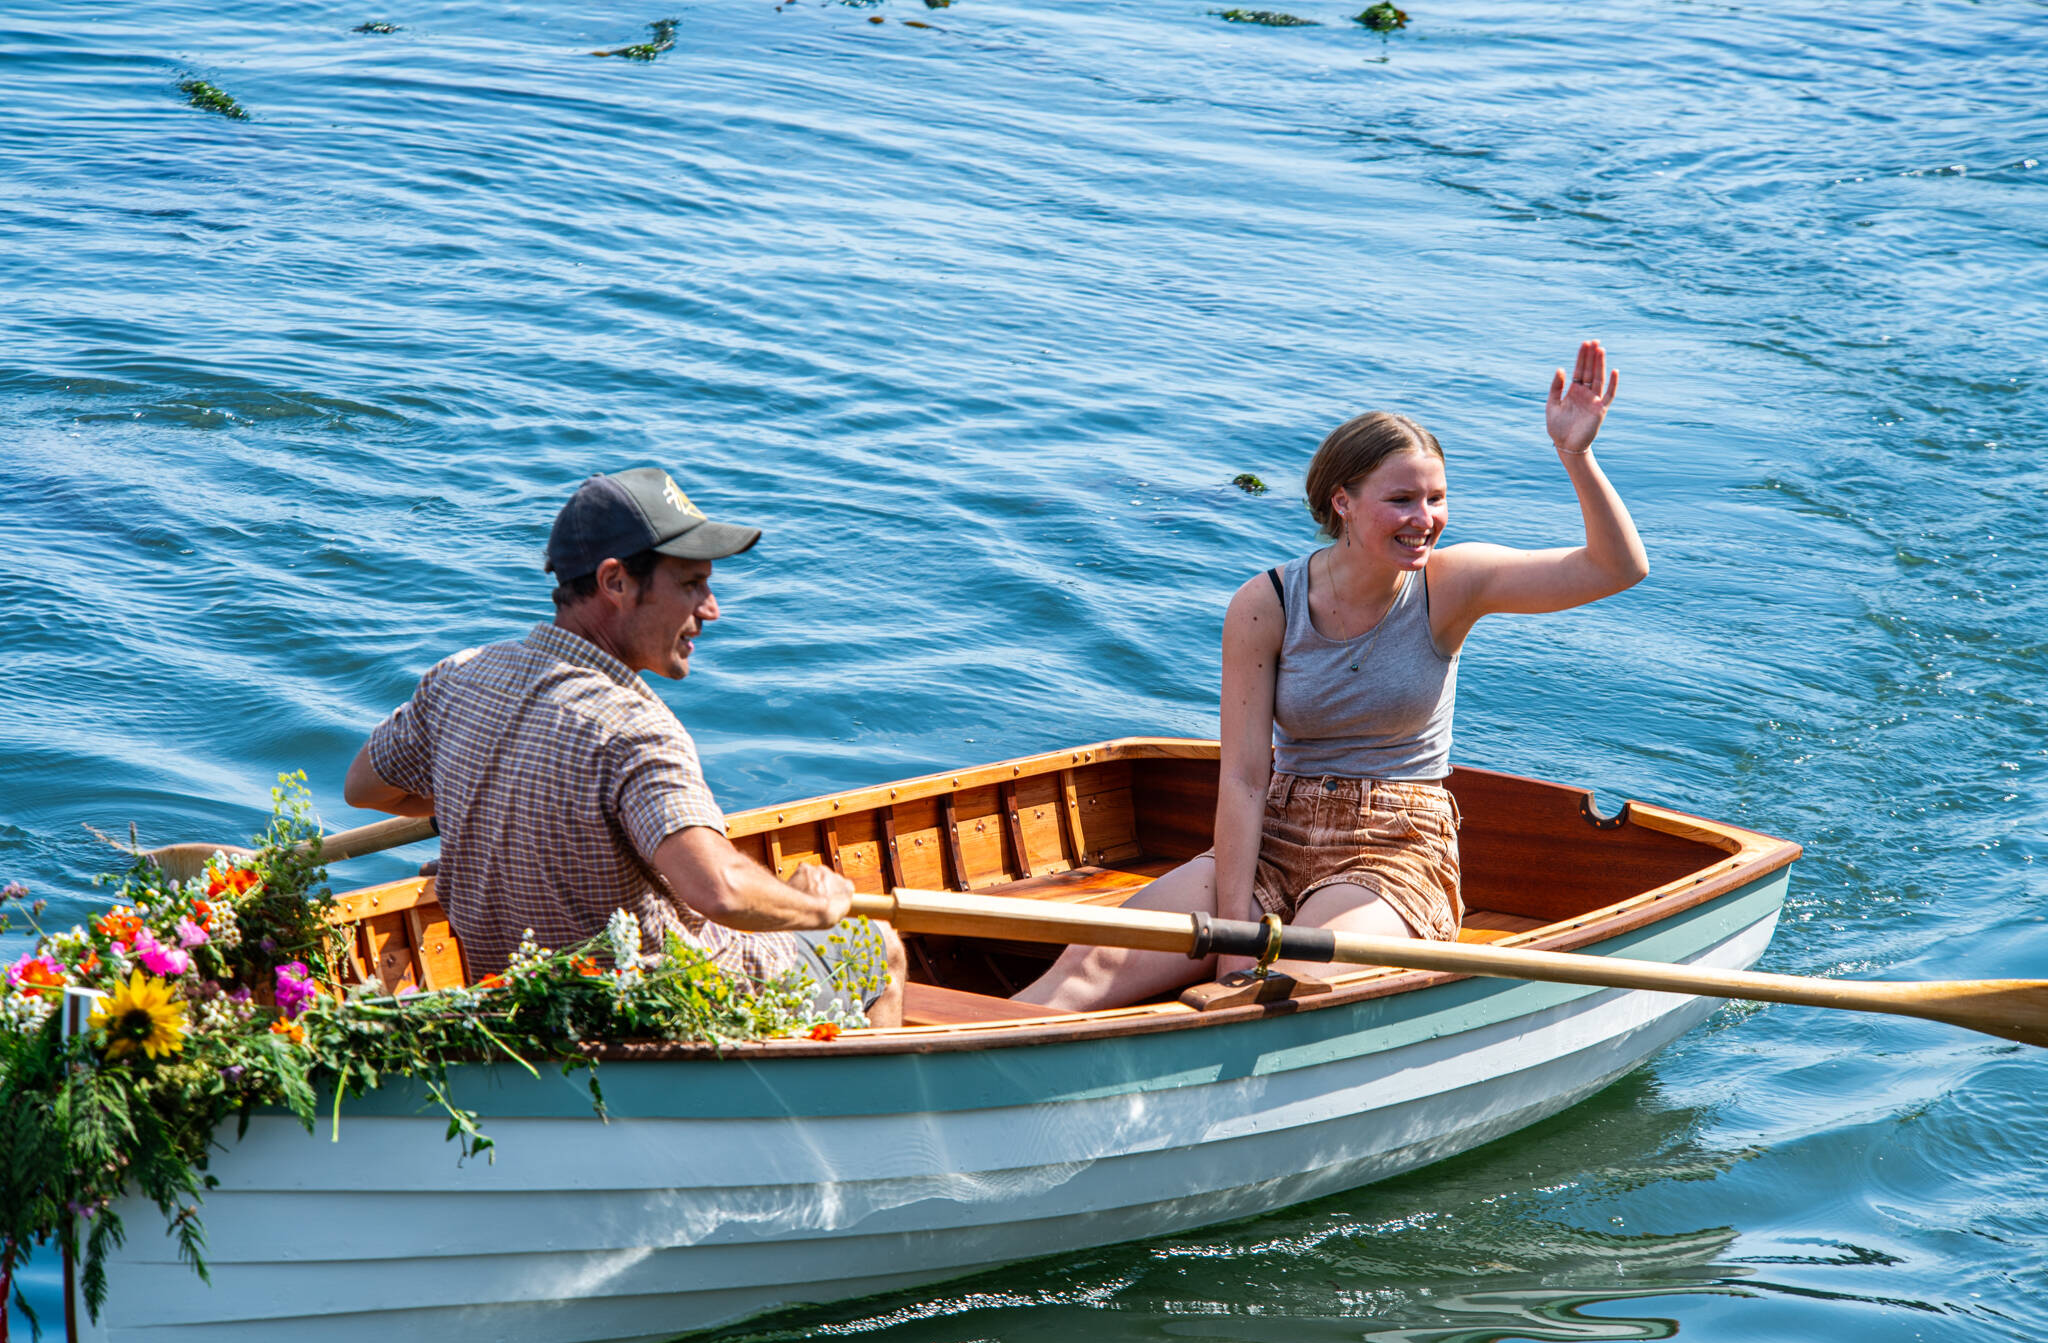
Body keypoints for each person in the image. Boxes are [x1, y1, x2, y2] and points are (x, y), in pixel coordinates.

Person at [1016, 340, 1647, 1010]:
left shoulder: (1451, 584)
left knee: (1287, 982)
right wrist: (1231, 931)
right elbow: (1244, 776)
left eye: (1435, 498)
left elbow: (1616, 568)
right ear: (1342, 502)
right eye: (1401, 498)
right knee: (1092, 962)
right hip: (1275, 831)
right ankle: (947, 1066)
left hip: (1394, 845)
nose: (1424, 518)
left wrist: (1576, 455)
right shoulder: (1266, 603)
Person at [343, 466, 905, 1026]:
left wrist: (482, 799)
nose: (711, 609)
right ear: (615, 582)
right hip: (661, 1009)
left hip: (526, 1007)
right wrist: (815, 905)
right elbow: (720, 891)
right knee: (876, 944)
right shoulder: (635, 729)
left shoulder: (461, 679)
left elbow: (364, 789)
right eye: (691, 585)